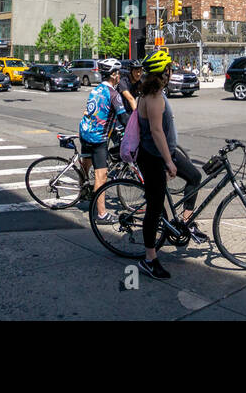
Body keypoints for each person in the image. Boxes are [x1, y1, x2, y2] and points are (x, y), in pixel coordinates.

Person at [133, 48, 206, 280]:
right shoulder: (153, 98)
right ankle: (149, 259)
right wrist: (168, 162)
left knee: (195, 177)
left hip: (163, 153)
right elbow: (156, 131)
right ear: (162, 72)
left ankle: (185, 222)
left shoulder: (155, 94)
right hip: (154, 157)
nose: (171, 72)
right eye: (169, 69)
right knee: (154, 208)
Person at [77, 58, 131, 218]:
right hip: (98, 138)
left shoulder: (96, 89)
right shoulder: (114, 94)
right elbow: (123, 119)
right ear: (113, 75)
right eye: (118, 72)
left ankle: (83, 190)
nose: (120, 75)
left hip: (85, 132)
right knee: (102, 176)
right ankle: (101, 214)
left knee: (86, 165)